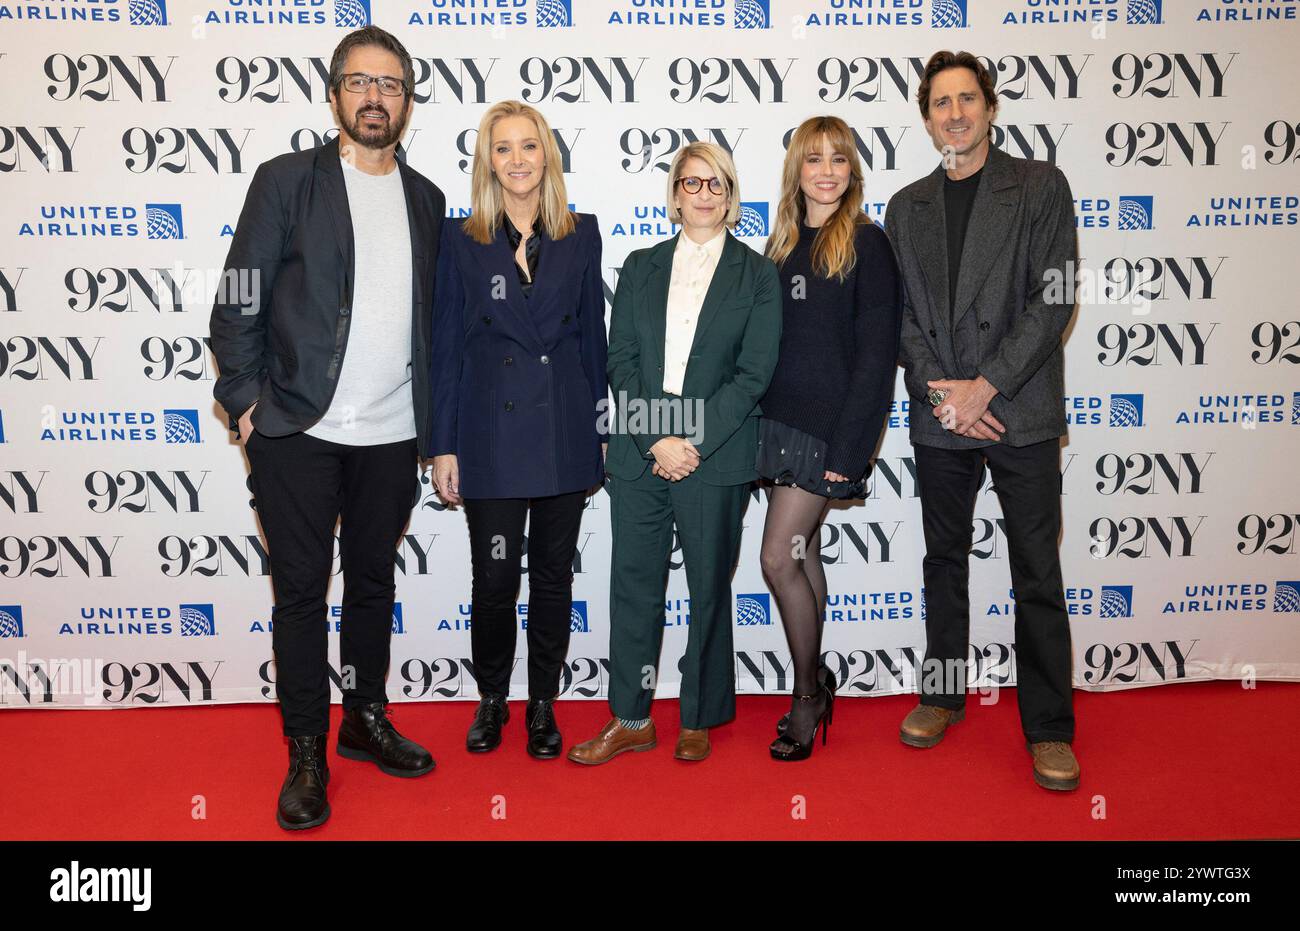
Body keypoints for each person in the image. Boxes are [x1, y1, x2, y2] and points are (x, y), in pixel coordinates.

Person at [210, 26, 442, 831]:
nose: (376, 97)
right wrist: (244, 397)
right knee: (302, 594)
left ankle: (364, 720)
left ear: (407, 100)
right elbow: (240, 290)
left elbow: (430, 326)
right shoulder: (285, 181)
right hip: (297, 431)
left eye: (391, 85)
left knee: (373, 582)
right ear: (335, 92)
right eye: (360, 82)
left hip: (391, 435)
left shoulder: (427, 199)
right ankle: (305, 746)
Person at [884, 50, 1081, 790]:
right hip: (942, 417)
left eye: (968, 99)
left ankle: (1051, 727)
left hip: (1019, 411)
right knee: (943, 562)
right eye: (941, 102)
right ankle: (940, 692)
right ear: (926, 114)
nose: (955, 113)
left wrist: (986, 388)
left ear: (991, 108)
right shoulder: (907, 207)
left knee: (1036, 571)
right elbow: (898, 319)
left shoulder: (1039, 187)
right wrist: (947, 397)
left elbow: (1053, 297)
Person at [567, 142, 782, 765]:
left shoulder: (757, 273)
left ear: (732, 195)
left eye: (717, 183)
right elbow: (621, 359)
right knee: (634, 585)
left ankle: (700, 714)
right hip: (641, 450)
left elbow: (754, 372)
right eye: (692, 183)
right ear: (674, 194)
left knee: (710, 583)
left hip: (716, 452)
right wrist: (655, 438)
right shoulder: (640, 265)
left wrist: (691, 441)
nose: (704, 194)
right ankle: (631, 716)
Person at [429, 101, 607, 760]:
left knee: (554, 579)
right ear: (488, 161)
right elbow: (445, 345)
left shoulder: (582, 234)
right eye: (502, 148)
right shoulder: (462, 238)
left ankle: (541, 705)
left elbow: (594, 338)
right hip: (490, 438)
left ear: (547, 155)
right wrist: (442, 443)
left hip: (562, 432)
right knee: (497, 580)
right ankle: (493, 698)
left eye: (528, 146)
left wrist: (599, 429)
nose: (517, 160)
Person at [758, 116, 902, 761]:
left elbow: (876, 357)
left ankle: (807, 695)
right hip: (774, 423)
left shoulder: (868, 244)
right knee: (803, 550)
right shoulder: (780, 242)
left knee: (777, 559)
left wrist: (853, 451)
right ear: (797, 170)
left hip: (826, 431)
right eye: (812, 159)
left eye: (837, 160)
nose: (825, 171)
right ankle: (817, 681)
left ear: (852, 172)